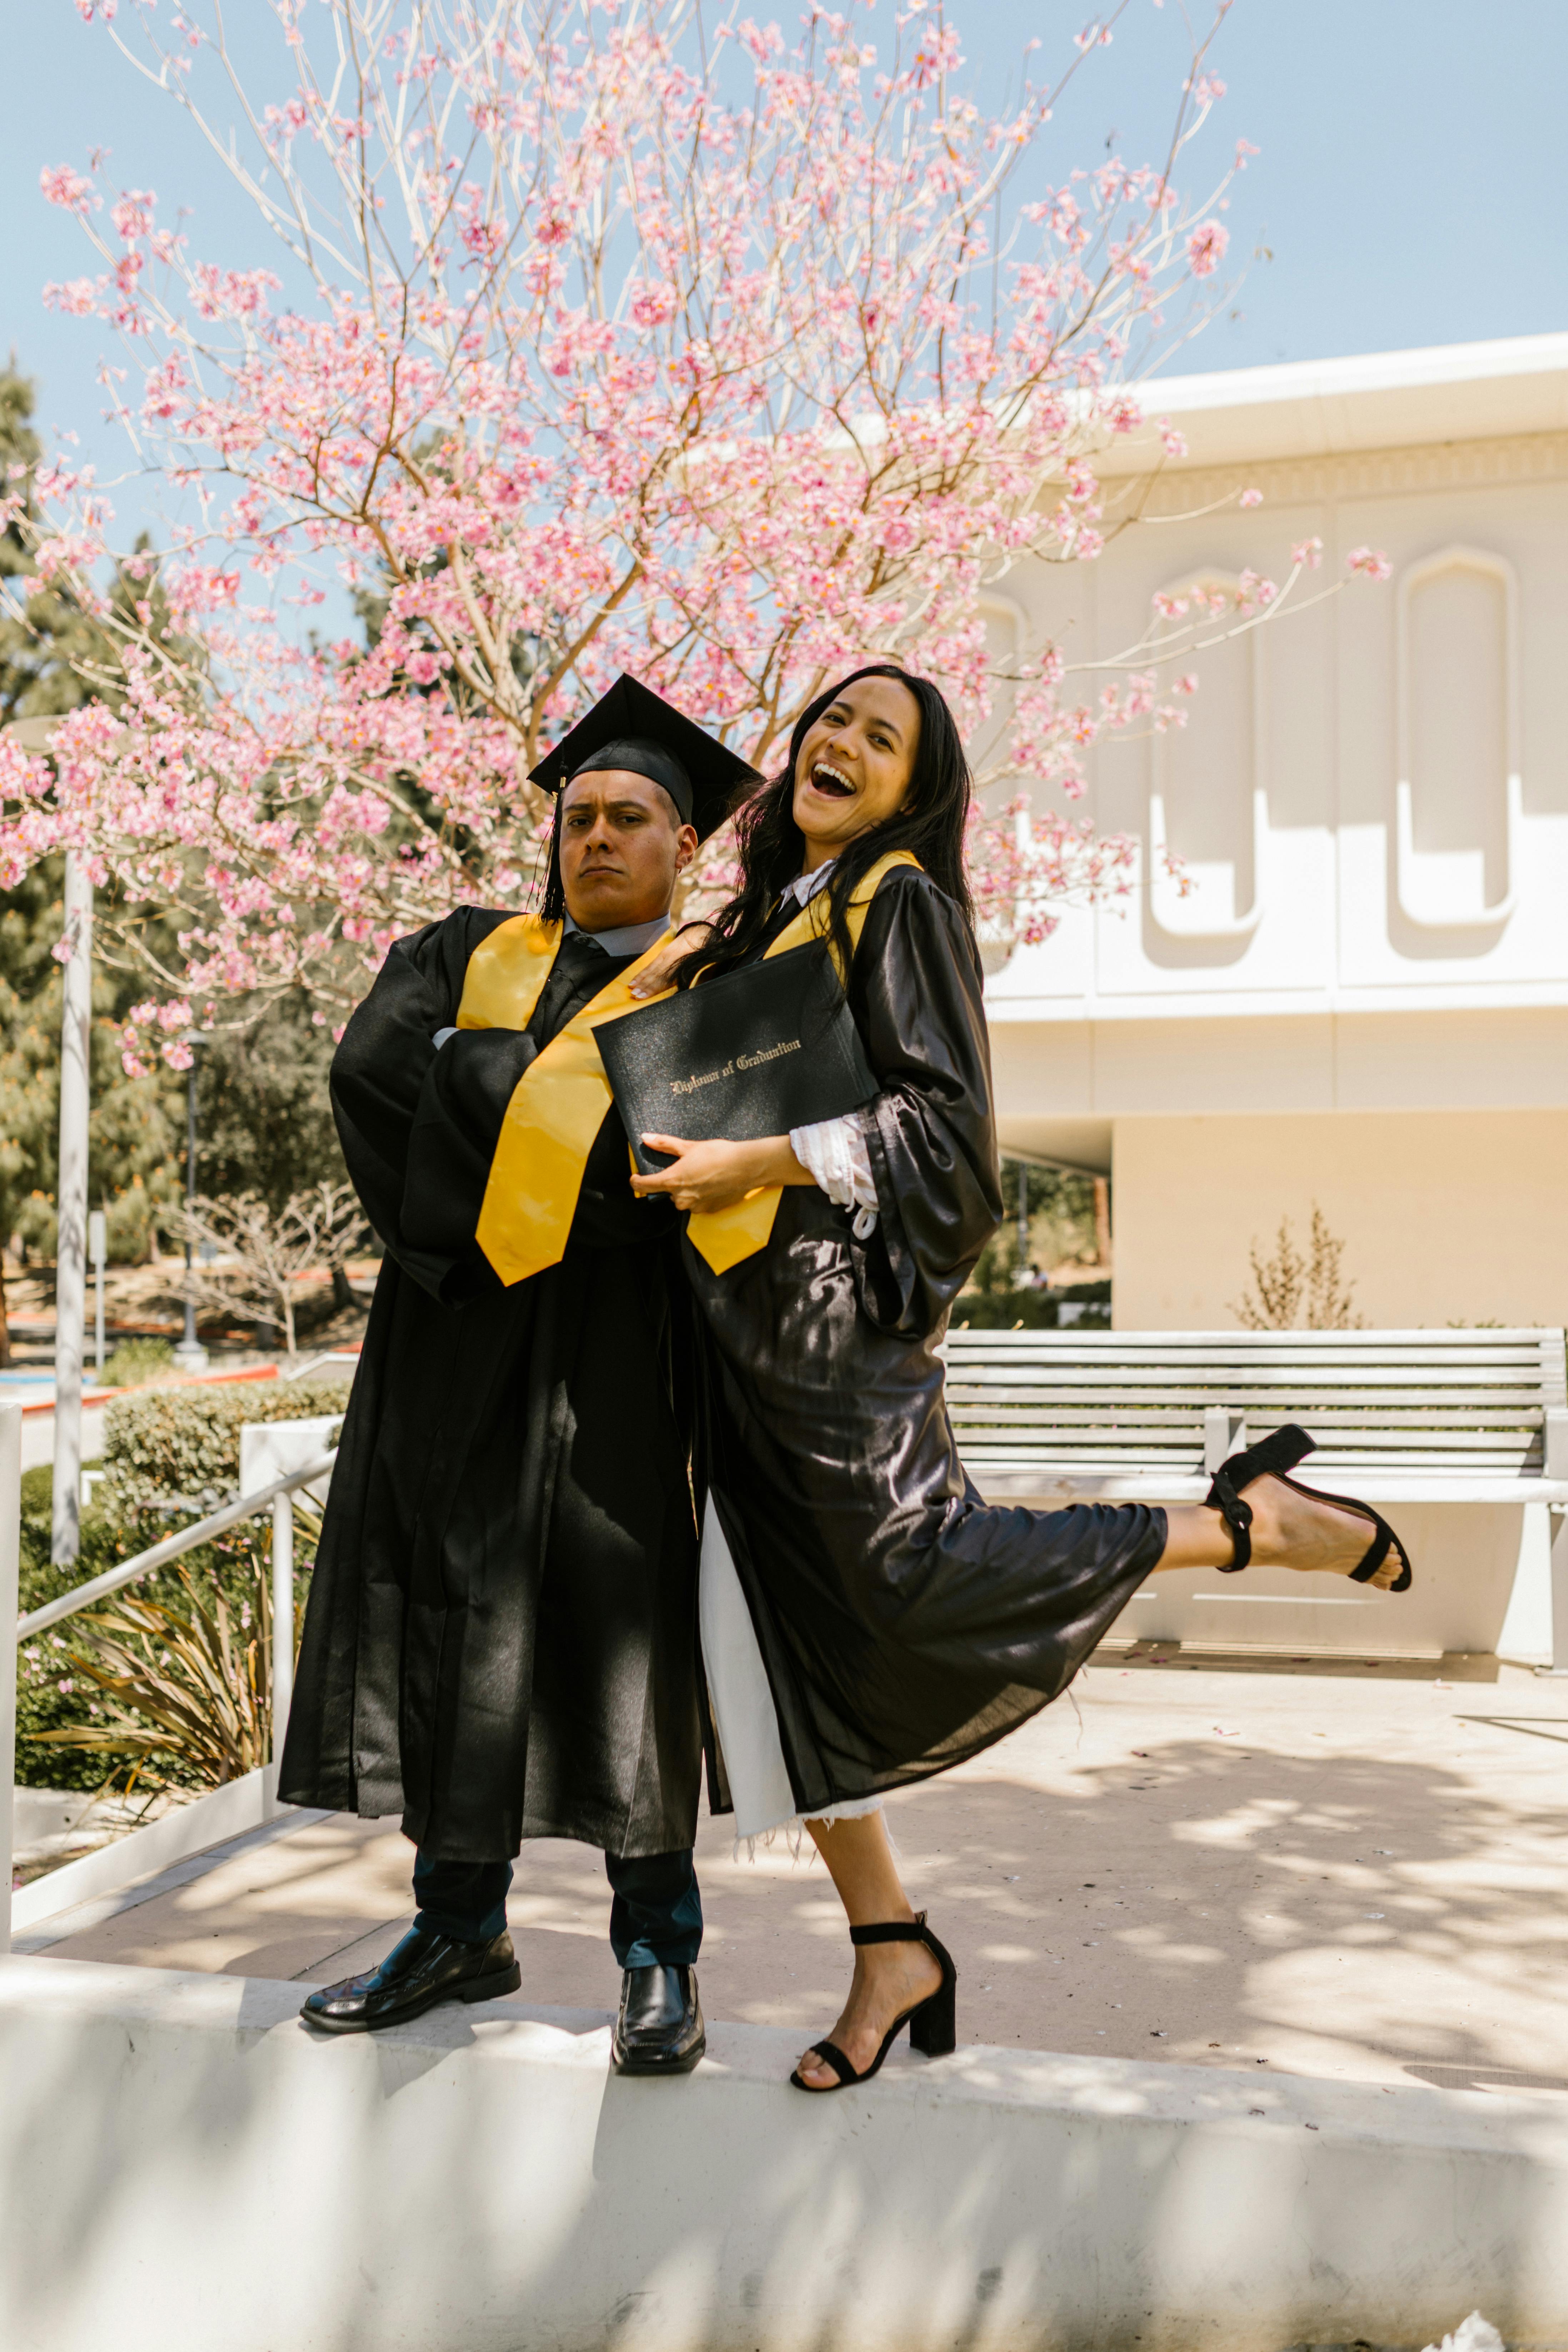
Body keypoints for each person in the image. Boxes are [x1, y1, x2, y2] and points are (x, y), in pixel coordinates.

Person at [628, 663, 1412, 2093]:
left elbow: (951, 1136)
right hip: (731, 1334)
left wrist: (753, 1155)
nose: (844, 742)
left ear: (915, 789)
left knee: (915, 1571)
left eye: (885, 736)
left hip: (820, 1327)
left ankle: (1248, 1524)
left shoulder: (902, 901)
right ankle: (889, 1943)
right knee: (779, 1640)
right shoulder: (767, 919)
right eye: (834, 718)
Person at [279, 676, 757, 2073]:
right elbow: (368, 1073)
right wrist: (553, 1127)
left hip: (625, 1362)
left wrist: (474, 1084)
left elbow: (676, 1177)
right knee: (460, 1623)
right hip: (460, 1343)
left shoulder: (720, 990)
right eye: (578, 817)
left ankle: (658, 1953)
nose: (595, 837)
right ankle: (459, 1926)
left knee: (627, 1641)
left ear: (685, 845)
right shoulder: (465, 949)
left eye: (629, 817)